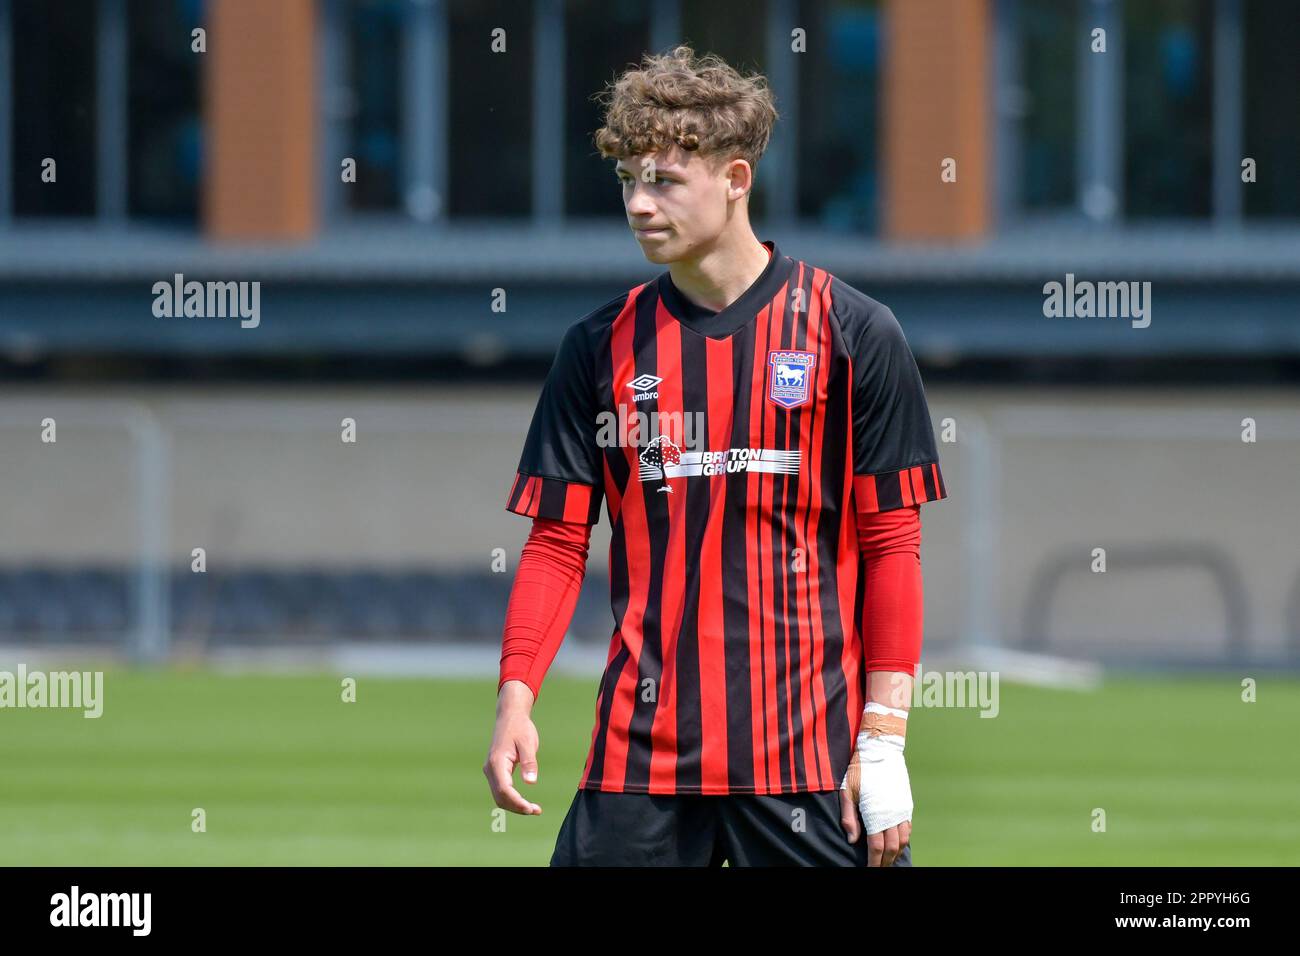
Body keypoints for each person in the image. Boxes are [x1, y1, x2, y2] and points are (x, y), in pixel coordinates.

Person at [483, 45, 947, 867]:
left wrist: (883, 738)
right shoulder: (597, 347)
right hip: (641, 757)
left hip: (808, 761)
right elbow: (557, 543)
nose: (637, 203)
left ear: (737, 179)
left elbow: (892, 546)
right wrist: (515, 697)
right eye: (627, 179)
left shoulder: (853, 332)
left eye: (663, 180)